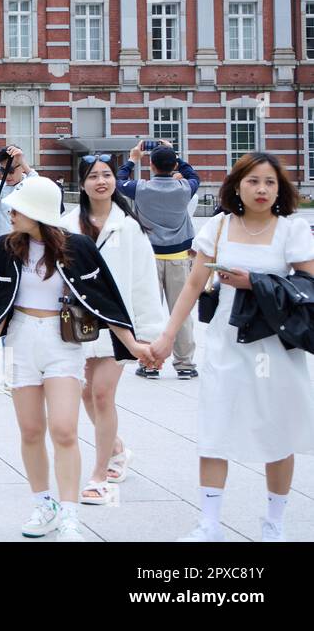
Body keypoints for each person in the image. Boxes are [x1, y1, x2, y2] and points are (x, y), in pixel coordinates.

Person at [0, 176, 151, 542]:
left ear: (37, 211)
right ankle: (44, 504)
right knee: (31, 430)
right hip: (22, 340)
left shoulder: (77, 247)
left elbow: (105, 298)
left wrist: (133, 345)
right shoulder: (5, 249)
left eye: (19, 207)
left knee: (65, 430)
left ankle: (70, 514)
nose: (11, 210)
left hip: (62, 343)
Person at [151, 153, 314, 543]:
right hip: (226, 339)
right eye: (253, 181)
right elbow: (192, 285)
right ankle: (209, 523)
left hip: (275, 344)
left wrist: (254, 281)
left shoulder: (292, 228)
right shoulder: (220, 227)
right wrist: (168, 335)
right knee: (215, 424)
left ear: (281, 189)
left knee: (277, 429)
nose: (262, 190)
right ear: (236, 184)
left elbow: (308, 286)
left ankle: (274, 523)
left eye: (270, 182)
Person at [61, 154, 167, 506]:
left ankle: (99, 473)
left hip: (117, 326)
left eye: (107, 175)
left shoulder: (129, 227)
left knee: (103, 395)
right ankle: (118, 447)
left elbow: (143, 282)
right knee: (86, 394)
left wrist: (147, 335)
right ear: (83, 183)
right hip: (78, 324)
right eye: (93, 176)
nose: (101, 181)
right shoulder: (66, 225)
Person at [116, 140, 200, 380]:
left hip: (149, 257)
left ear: (150, 165)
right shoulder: (185, 187)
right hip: (178, 258)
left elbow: (119, 180)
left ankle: (150, 363)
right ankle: (185, 364)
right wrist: (175, 155)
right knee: (180, 313)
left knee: (149, 312)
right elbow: (193, 174)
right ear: (173, 165)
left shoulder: (141, 188)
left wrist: (133, 158)